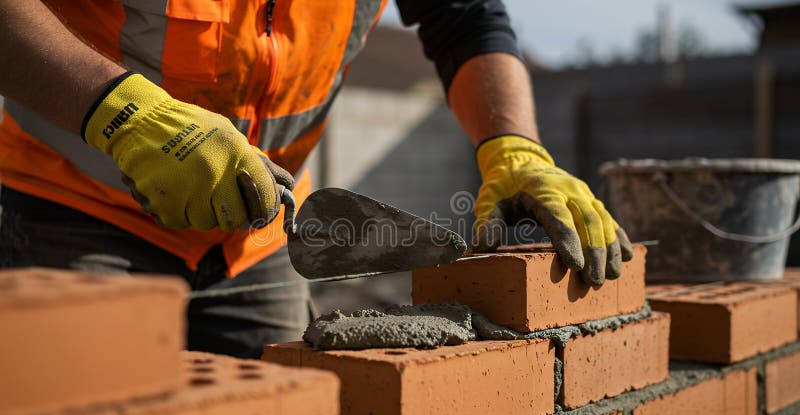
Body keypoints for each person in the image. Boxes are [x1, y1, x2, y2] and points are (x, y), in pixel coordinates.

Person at [0, 0, 633, 358]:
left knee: (279, 413)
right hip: (73, 203)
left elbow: (466, 20)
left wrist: (516, 149)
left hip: (259, 234)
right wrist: (124, 115)